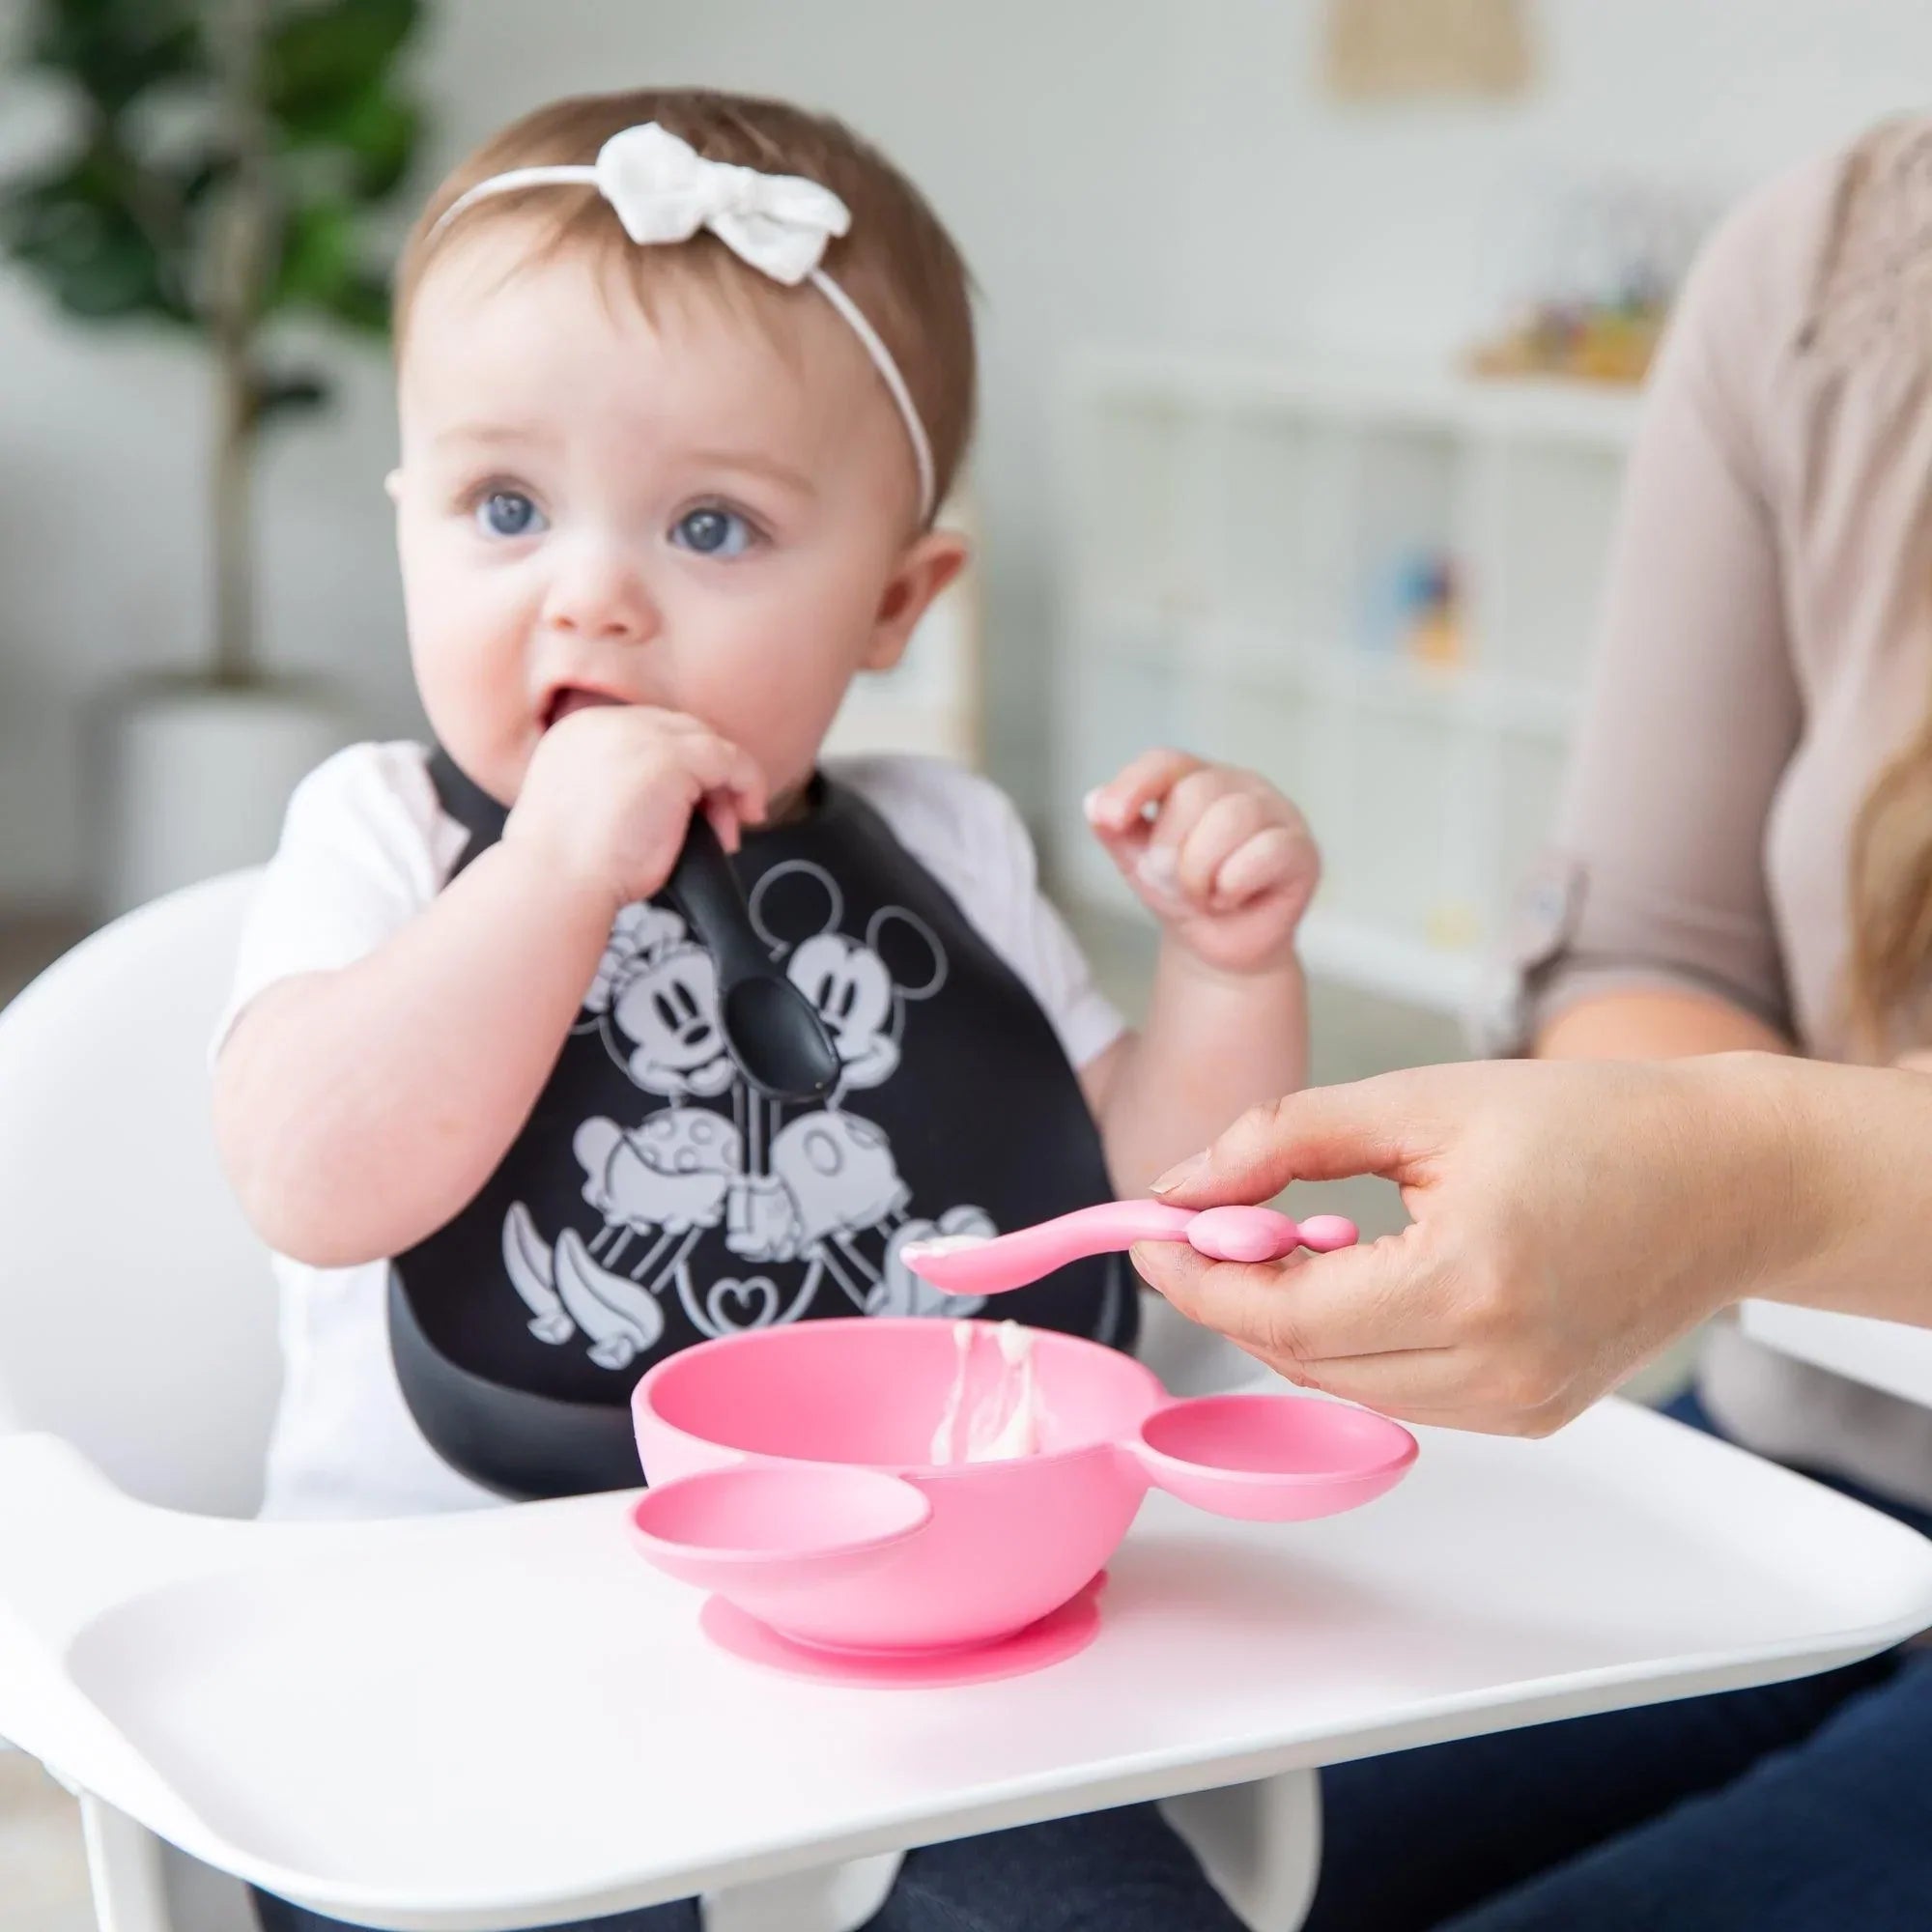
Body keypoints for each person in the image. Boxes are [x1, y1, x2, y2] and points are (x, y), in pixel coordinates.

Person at [213, 85, 1321, 1932]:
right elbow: (314, 1180)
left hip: (923, 1651)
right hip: (446, 1676)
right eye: (505, 507)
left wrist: (1224, 971)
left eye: (711, 530)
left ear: (897, 599)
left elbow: (1148, 1208)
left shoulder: (948, 850)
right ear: (407, 517)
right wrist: (551, 874)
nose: (594, 599)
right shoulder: (385, 837)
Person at [1138, 117, 1932, 1932]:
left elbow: (1731, 1133)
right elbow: (1650, 947)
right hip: (1806, 1467)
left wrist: (1763, 1169)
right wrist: (1690, 1162)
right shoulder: (1832, 272)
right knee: (1098, 1859)